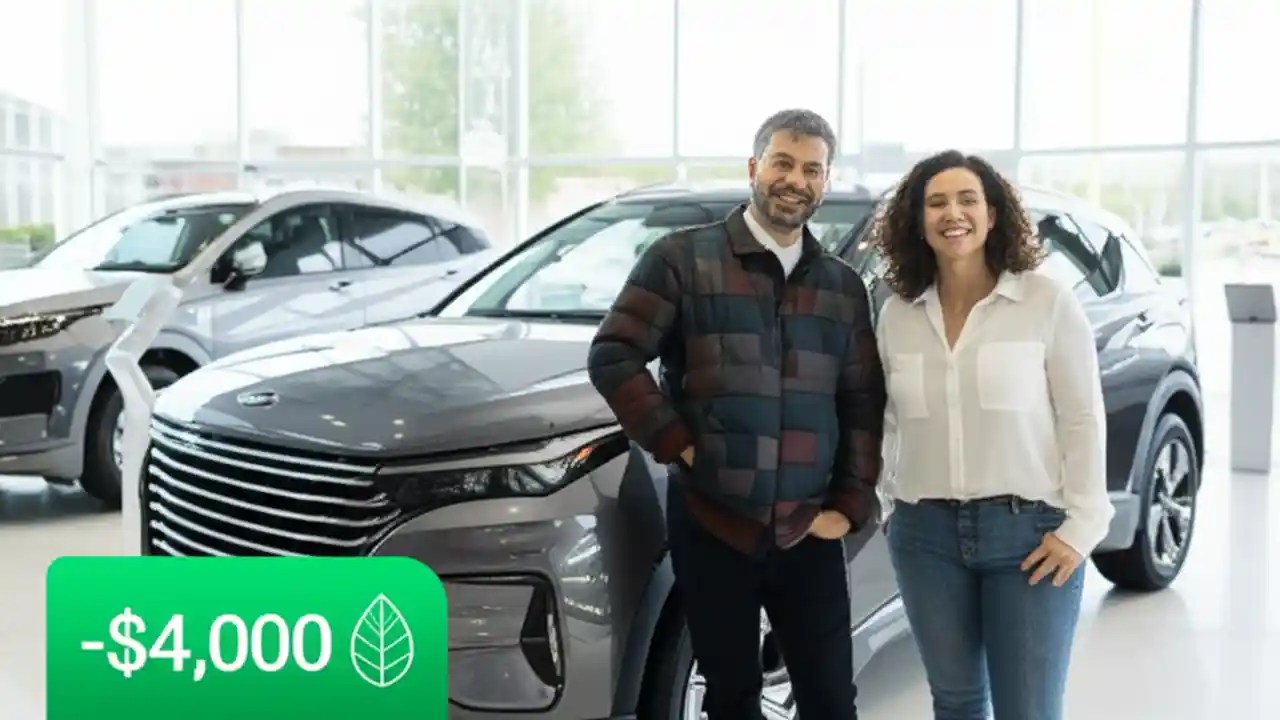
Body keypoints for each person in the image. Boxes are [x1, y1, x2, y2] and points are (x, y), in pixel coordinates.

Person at [587, 108, 886, 719]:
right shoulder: (682, 260)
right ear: (754, 168)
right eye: (782, 162)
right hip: (713, 519)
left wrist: (850, 504)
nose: (795, 179)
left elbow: (861, 401)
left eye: (811, 168)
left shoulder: (841, 286)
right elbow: (615, 354)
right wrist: (679, 442)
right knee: (729, 696)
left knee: (831, 698)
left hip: (808, 526)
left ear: (824, 182)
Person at [872, 149, 1114, 720]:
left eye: (966, 200)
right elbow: (887, 418)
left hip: (1029, 536)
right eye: (936, 202)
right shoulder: (898, 312)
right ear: (917, 219)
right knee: (954, 704)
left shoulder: (1044, 300)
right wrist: (889, 505)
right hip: (925, 535)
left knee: (1027, 709)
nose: (951, 213)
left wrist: (1081, 527)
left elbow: (1082, 418)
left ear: (993, 214)